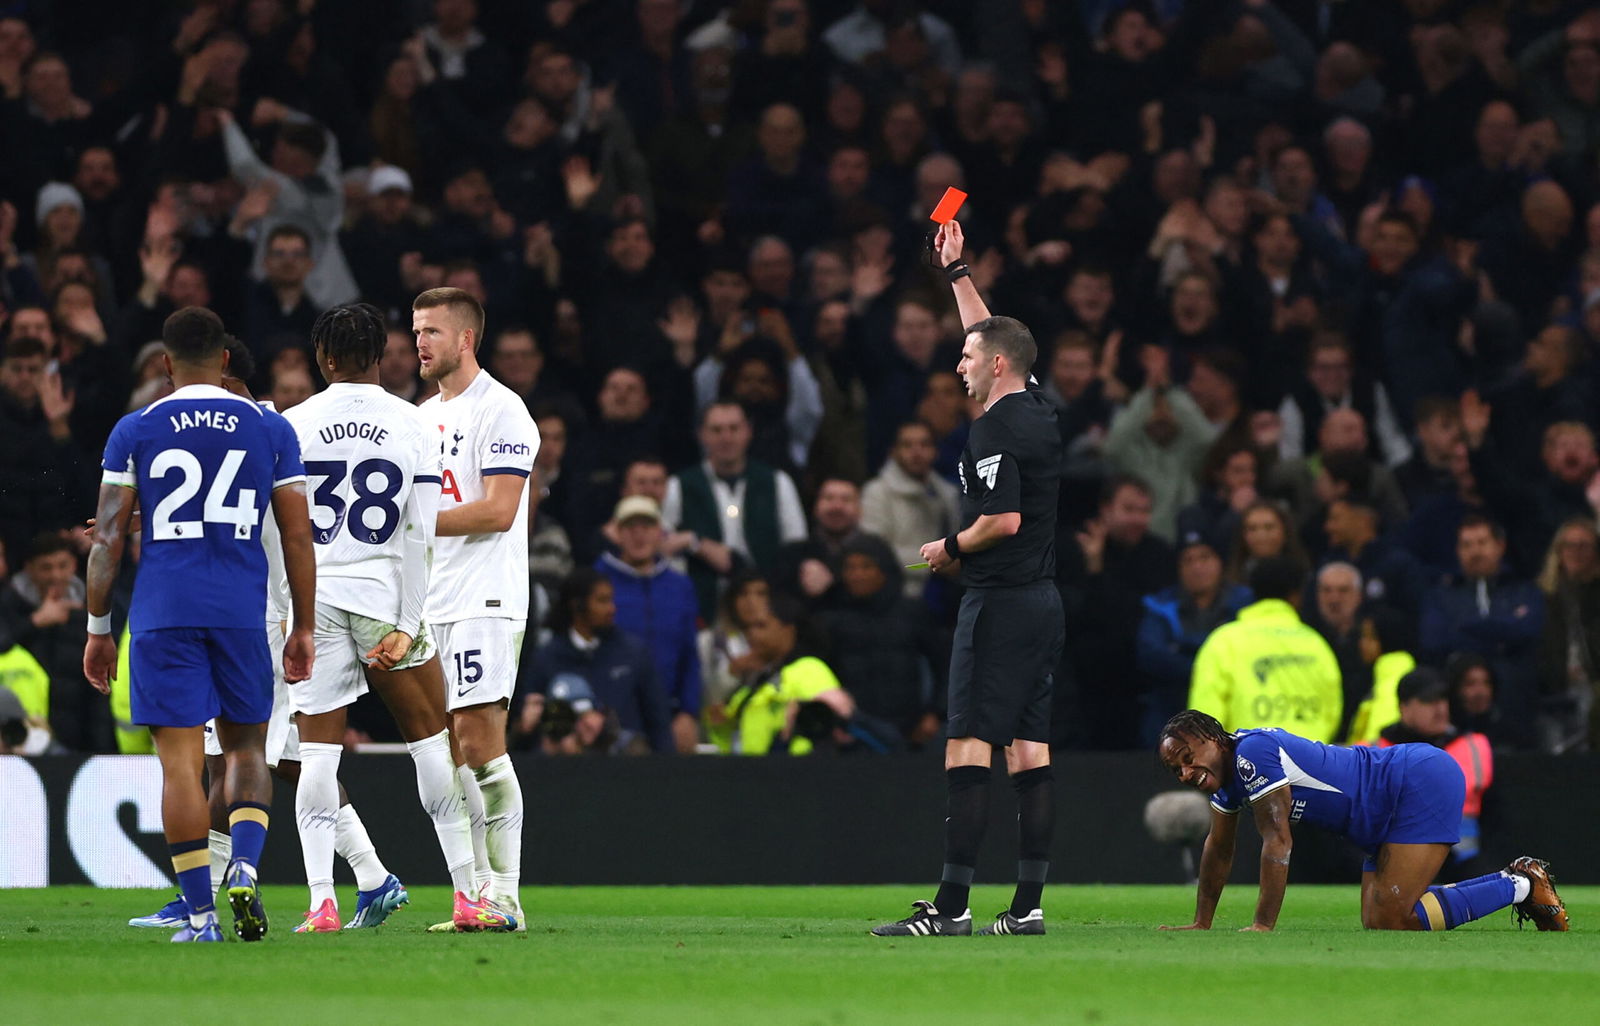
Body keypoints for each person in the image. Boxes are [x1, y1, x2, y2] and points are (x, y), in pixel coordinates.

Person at [82, 306, 317, 943]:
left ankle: (200, 914)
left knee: (182, 768)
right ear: (223, 361)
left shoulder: (136, 428)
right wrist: (303, 625)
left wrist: (98, 627)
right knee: (244, 749)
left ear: (165, 365)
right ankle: (242, 862)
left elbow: (106, 538)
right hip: (241, 613)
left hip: (163, 614)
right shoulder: (269, 429)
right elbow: (297, 536)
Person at [874, 219, 1062, 938]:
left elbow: (1003, 521)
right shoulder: (1038, 409)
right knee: (1032, 749)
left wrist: (949, 546)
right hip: (1044, 603)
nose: (959, 365)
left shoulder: (993, 429)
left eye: (965, 357)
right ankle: (1028, 907)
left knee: (967, 746)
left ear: (996, 369)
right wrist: (957, 273)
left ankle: (950, 909)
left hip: (1001, 601)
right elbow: (996, 332)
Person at [283, 303, 498, 933]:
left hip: (317, 600)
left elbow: (282, 532)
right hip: (385, 599)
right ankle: (466, 894)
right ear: (381, 357)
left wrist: (290, 618)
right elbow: (417, 534)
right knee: (432, 744)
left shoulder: (293, 426)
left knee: (317, 756)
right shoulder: (413, 425)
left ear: (323, 359)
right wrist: (409, 619)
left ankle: (322, 901)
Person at [1156, 709, 1567, 931]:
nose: (1186, 774)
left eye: (1188, 759)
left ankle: (1522, 885)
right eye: (1176, 771)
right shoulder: (1226, 780)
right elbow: (1218, 848)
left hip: (1412, 781)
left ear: (1211, 737)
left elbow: (1277, 843)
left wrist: (1263, 925)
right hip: (1378, 811)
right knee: (1381, 920)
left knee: (1395, 915)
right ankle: (1518, 881)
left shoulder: (1252, 753)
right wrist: (1201, 923)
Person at [414, 286, 540, 931]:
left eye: (432, 331)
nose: (419, 343)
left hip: (486, 596)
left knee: (482, 742)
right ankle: (481, 896)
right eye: (415, 331)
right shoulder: (421, 415)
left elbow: (498, 510)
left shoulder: (503, 410)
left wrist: (412, 523)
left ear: (465, 339)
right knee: (456, 749)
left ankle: (506, 897)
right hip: (435, 599)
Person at [516, 567, 672, 755]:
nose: (612, 608)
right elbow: (525, 729)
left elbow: (658, 722)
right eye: (602, 601)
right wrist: (525, 730)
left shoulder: (633, 653)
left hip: (626, 770)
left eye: (611, 599)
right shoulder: (546, 658)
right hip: (562, 771)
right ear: (577, 605)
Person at [1188, 556, 1343, 743]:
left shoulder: (1224, 641)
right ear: (1296, 595)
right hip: (1311, 763)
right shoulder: (1316, 643)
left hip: (1248, 763)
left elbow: (1205, 715)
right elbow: (1332, 709)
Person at [596, 495, 702, 753]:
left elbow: (690, 654)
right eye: (630, 527)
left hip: (670, 714)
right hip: (614, 718)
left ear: (660, 533)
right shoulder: (598, 581)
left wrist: (689, 712)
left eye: (647, 527)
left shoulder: (680, 585)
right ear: (617, 533)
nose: (639, 535)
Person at [1375, 668, 1494, 875]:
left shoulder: (1472, 745)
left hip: (1461, 861)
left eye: (1442, 700)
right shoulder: (1376, 750)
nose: (1440, 709)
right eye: (1428, 701)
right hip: (1392, 858)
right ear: (1404, 707)